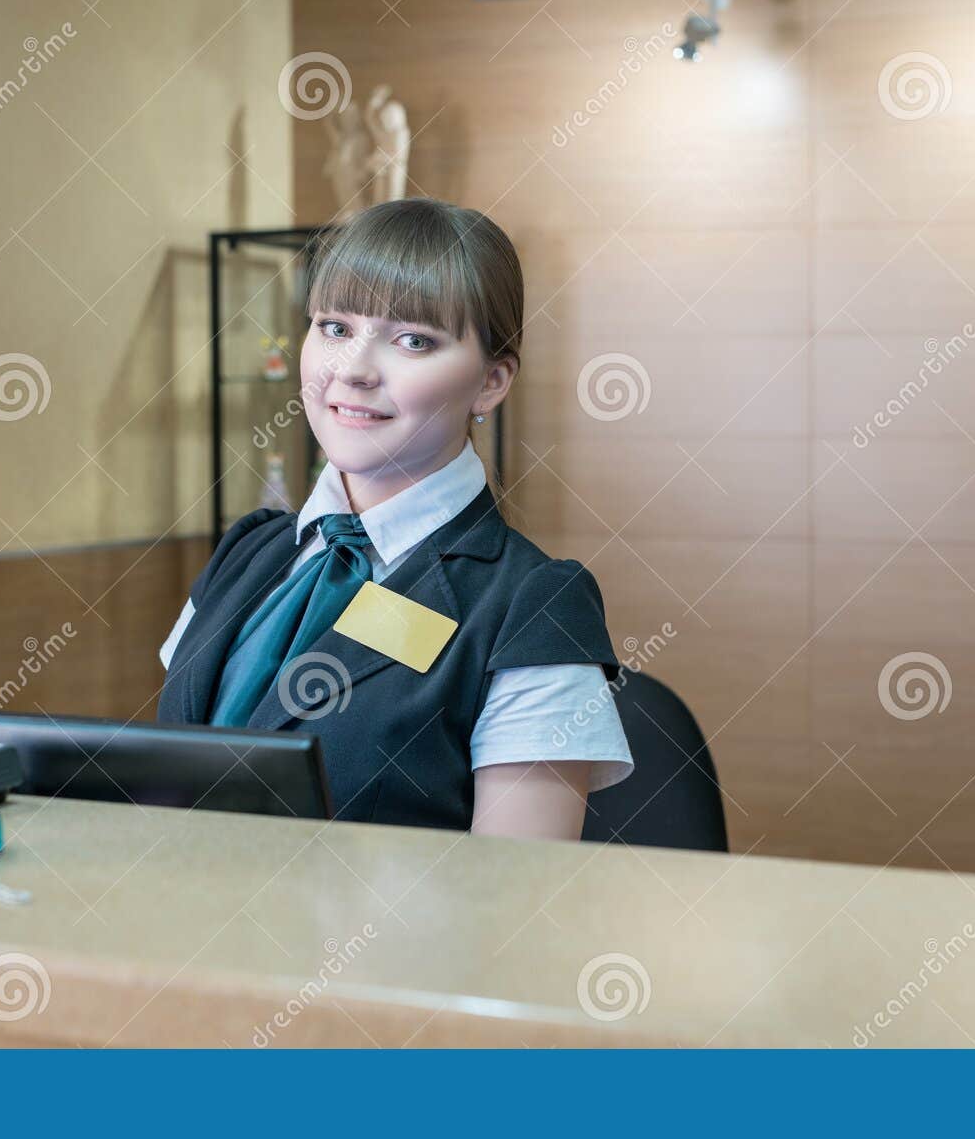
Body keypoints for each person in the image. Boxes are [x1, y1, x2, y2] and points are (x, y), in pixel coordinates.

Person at [157, 197, 632, 839]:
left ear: (491, 382)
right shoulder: (249, 552)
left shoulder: (533, 605)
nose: (353, 370)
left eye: (414, 340)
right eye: (334, 327)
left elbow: (513, 906)